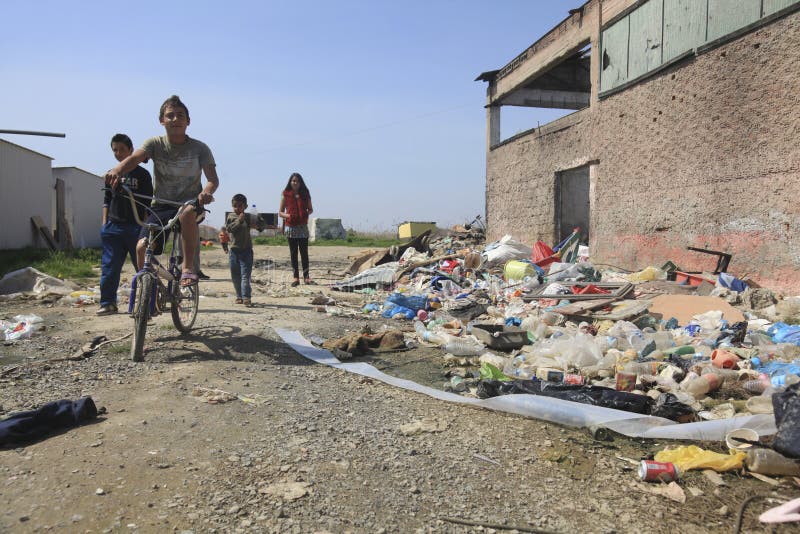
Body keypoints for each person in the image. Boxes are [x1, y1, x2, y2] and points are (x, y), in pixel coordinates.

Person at [104, 95, 219, 287]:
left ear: (188, 121)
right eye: (170, 115)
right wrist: (117, 170)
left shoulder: (200, 148)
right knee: (141, 248)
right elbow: (135, 159)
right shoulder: (155, 144)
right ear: (161, 120)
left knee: (187, 212)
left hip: (191, 205)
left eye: (180, 115)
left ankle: (187, 268)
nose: (175, 119)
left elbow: (212, 179)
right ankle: (153, 289)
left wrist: (206, 193)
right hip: (161, 206)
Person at [97, 134, 153, 316]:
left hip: (136, 227)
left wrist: (145, 229)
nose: (118, 153)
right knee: (110, 268)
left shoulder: (143, 175)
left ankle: (148, 303)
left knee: (143, 268)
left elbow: (148, 205)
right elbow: (106, 201)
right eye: (115, 150)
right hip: (113, 229)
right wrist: (104, 225)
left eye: (122, 149)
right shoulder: (111, 174)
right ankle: (108, 303)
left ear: (131, 150)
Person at [278, 172, 313, 287]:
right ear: (290, 182)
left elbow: (311, 209)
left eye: (297, 181)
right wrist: (289, 216)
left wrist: (305, 214)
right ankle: (295, 277)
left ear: (300, 183)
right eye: (293, 181)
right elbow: (280, 213)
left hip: (302, 227)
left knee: (304, 253)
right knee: (293, 254)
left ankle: (306, 277)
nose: (295, 183)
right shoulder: (285, 194)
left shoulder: (305, 194)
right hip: (291, 227)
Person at [224, 194, 256, 306]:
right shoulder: (231, 216)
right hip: (234, 251)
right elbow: (230, 229)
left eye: (240, 206)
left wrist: (257, 223)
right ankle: (239, 296)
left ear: (245, 206)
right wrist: (239, 221)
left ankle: (246, 297)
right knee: (235, 276)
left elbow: (261, 224)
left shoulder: (248, 216)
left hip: (246, 251)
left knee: (245, 276)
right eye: (235, 206)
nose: (237, 208)